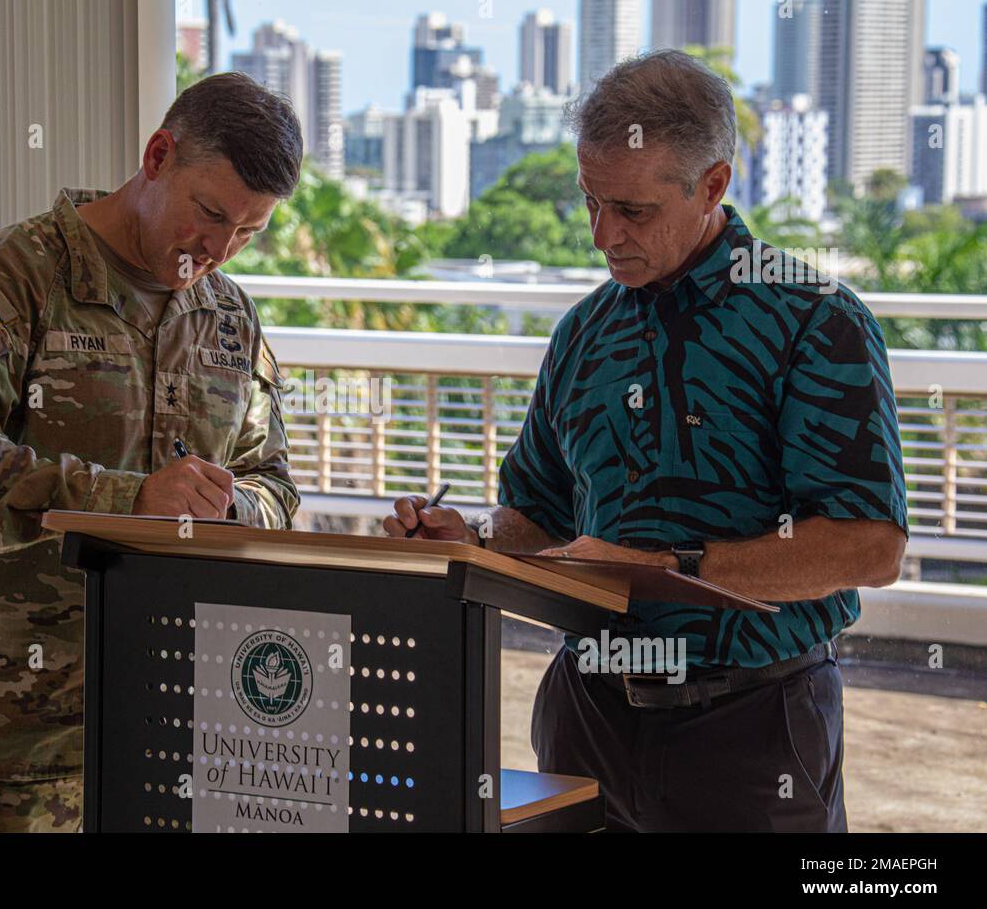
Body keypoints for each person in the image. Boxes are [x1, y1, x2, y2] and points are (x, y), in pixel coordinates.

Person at [383, 50, 908, 832]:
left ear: (713, 186)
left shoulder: (814, 321)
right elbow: (540, 512)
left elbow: (870, 546)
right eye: (590, 202)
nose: (602, 235)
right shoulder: (584, 331)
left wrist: (674, 568)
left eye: (632, 211)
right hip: (582, 716)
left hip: (754, 728)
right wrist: (475, 536)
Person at [0, 72, 302, 831]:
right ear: (158, 154)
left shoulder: (229, 317)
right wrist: (125, 502)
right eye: (210, 214)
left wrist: (231, 505)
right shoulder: (6, 278)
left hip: (170, 737)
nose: (219, 248)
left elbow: (271, 479)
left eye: (249, 231)